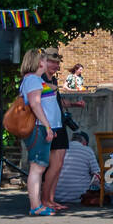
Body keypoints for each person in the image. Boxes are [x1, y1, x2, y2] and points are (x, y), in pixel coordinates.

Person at [18, 47, 61, 217]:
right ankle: (36, 206)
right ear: (38, 62)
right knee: (37, 168)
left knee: (39, 167)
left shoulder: (30, 80)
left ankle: (36, 205)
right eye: (43, 59)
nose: (45, 62)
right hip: (38, 128)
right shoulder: (33, 80)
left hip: (38, 127)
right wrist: (47, 126)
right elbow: (36, 104)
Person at [40, 49, 74, 212]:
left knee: (59, 164)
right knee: (53, 165)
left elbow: (58, 101)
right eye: (52, 61)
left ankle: (51, 199)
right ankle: (45, 200)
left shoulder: (51, 79)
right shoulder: (39, 79)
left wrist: (75, 104)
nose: (55, 65)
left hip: (59, 124)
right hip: (49, 125)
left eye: (57, 62)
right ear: (43, 62)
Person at [54, 131, 101, 204]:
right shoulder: (88, 150)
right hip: (80, 197)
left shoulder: (61, 149)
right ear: (85, 143)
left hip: (57, 197)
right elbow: (97, 174)